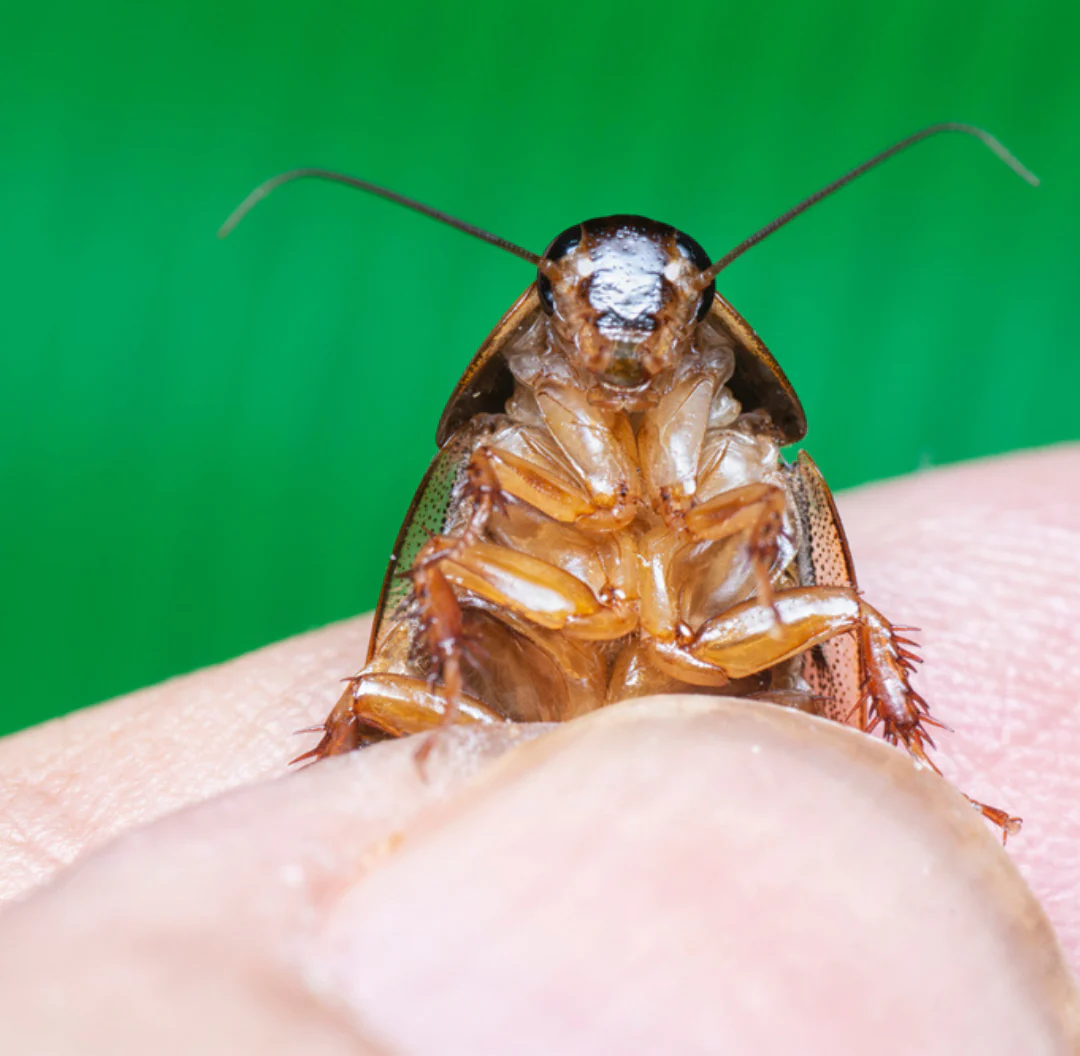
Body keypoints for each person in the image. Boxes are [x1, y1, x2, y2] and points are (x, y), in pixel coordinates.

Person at [1, 448, 1078, 1054]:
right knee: (379, 697)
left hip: (718, 686)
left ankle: (920, 773)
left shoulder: (746, 466)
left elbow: (823, 598)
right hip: (510, 705)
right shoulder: (510, 457)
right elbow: (448, 563)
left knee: (841, 605)